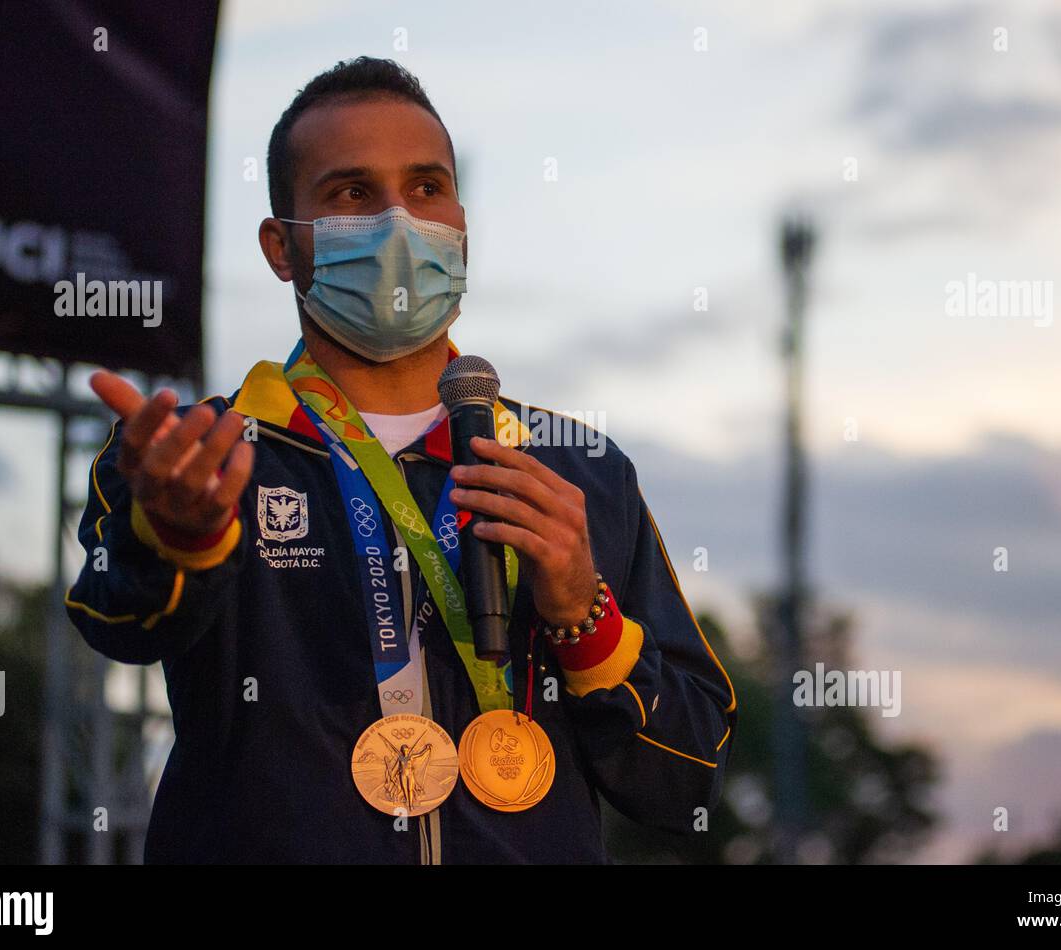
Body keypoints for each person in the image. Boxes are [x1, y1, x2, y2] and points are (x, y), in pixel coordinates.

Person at [66, 56, 736, 863]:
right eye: (352, 193)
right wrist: (180, 538)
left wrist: (583, 616)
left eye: (426, 188)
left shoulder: (577, 467)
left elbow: (685, 779)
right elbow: (121, 621)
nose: (398, 220)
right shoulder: (205, 456)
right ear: (283, 248)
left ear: (459, 222)